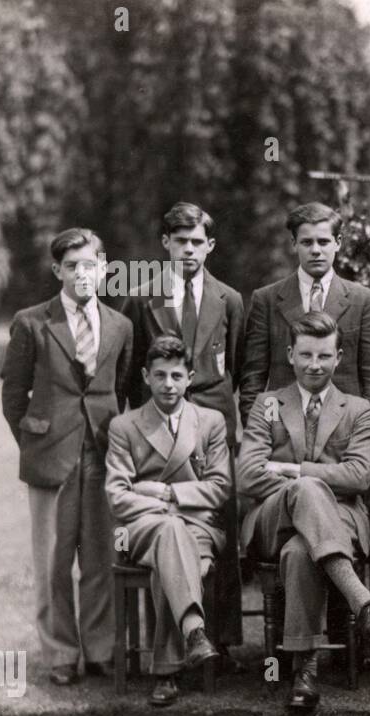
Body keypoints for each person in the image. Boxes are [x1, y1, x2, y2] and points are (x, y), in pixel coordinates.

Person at [238, 311, 370, 711]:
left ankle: (303, 672)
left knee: (299, 552)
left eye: (324, 356)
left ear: (339, 357)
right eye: (305, 355)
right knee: (306, 491)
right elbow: (249, 475)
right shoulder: (268, 404)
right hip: (271, 518)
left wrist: (292, 470)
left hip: (340, 517)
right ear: (290, 354)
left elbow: (359, 477)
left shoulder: (357, 409)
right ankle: (363, 603)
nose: (314, 365)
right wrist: (307, 483)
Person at [0, 228, 133, 685]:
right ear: (58, 270)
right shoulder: (32, 322)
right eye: (71, 265)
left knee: (100, 556)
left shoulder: (120, 325)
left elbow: (123, 389)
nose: (81, 273)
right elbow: (13, 395)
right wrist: (35, 442)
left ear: (104, 267)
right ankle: (60, 653)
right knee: (54, 560)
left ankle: (99, 649)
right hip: (51, 458)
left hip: (103, 453)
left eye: (89, 264)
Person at [123, 201, 246, 663]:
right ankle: (172, 646)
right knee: (167, 529)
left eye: (198, 242)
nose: (189, 250)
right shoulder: (141, 297)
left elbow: (238, 369)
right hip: (158, 430)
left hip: (213, 429)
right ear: (165, 245)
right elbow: (130, 374)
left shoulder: (229, 299)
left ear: (210, 246)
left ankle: (225, 641)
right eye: (181, 242)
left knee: (220, 529)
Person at [105, 336, 228, 706]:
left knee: (170, 552)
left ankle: (167, 673)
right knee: (170, 534)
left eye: (176, 375)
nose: (168, 385)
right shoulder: (124, 426)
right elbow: (117, 496)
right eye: (159, 375)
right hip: (141, 529)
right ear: (145, 376)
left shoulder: (210, 421)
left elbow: (221, 488)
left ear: (190, 377)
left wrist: (164, 493)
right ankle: (194, 632)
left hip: (198, 528)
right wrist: (167, 505)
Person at [239, 202, 370, 431]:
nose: (316, 250)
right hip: (282, 432)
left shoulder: (362, 300)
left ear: (337, 243)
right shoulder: (266, 299)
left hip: (343, 432)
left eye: (324, 241)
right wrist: (257, 433)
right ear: (294, 244)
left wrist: (369, 440)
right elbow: (253, 379)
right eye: (307, 242)